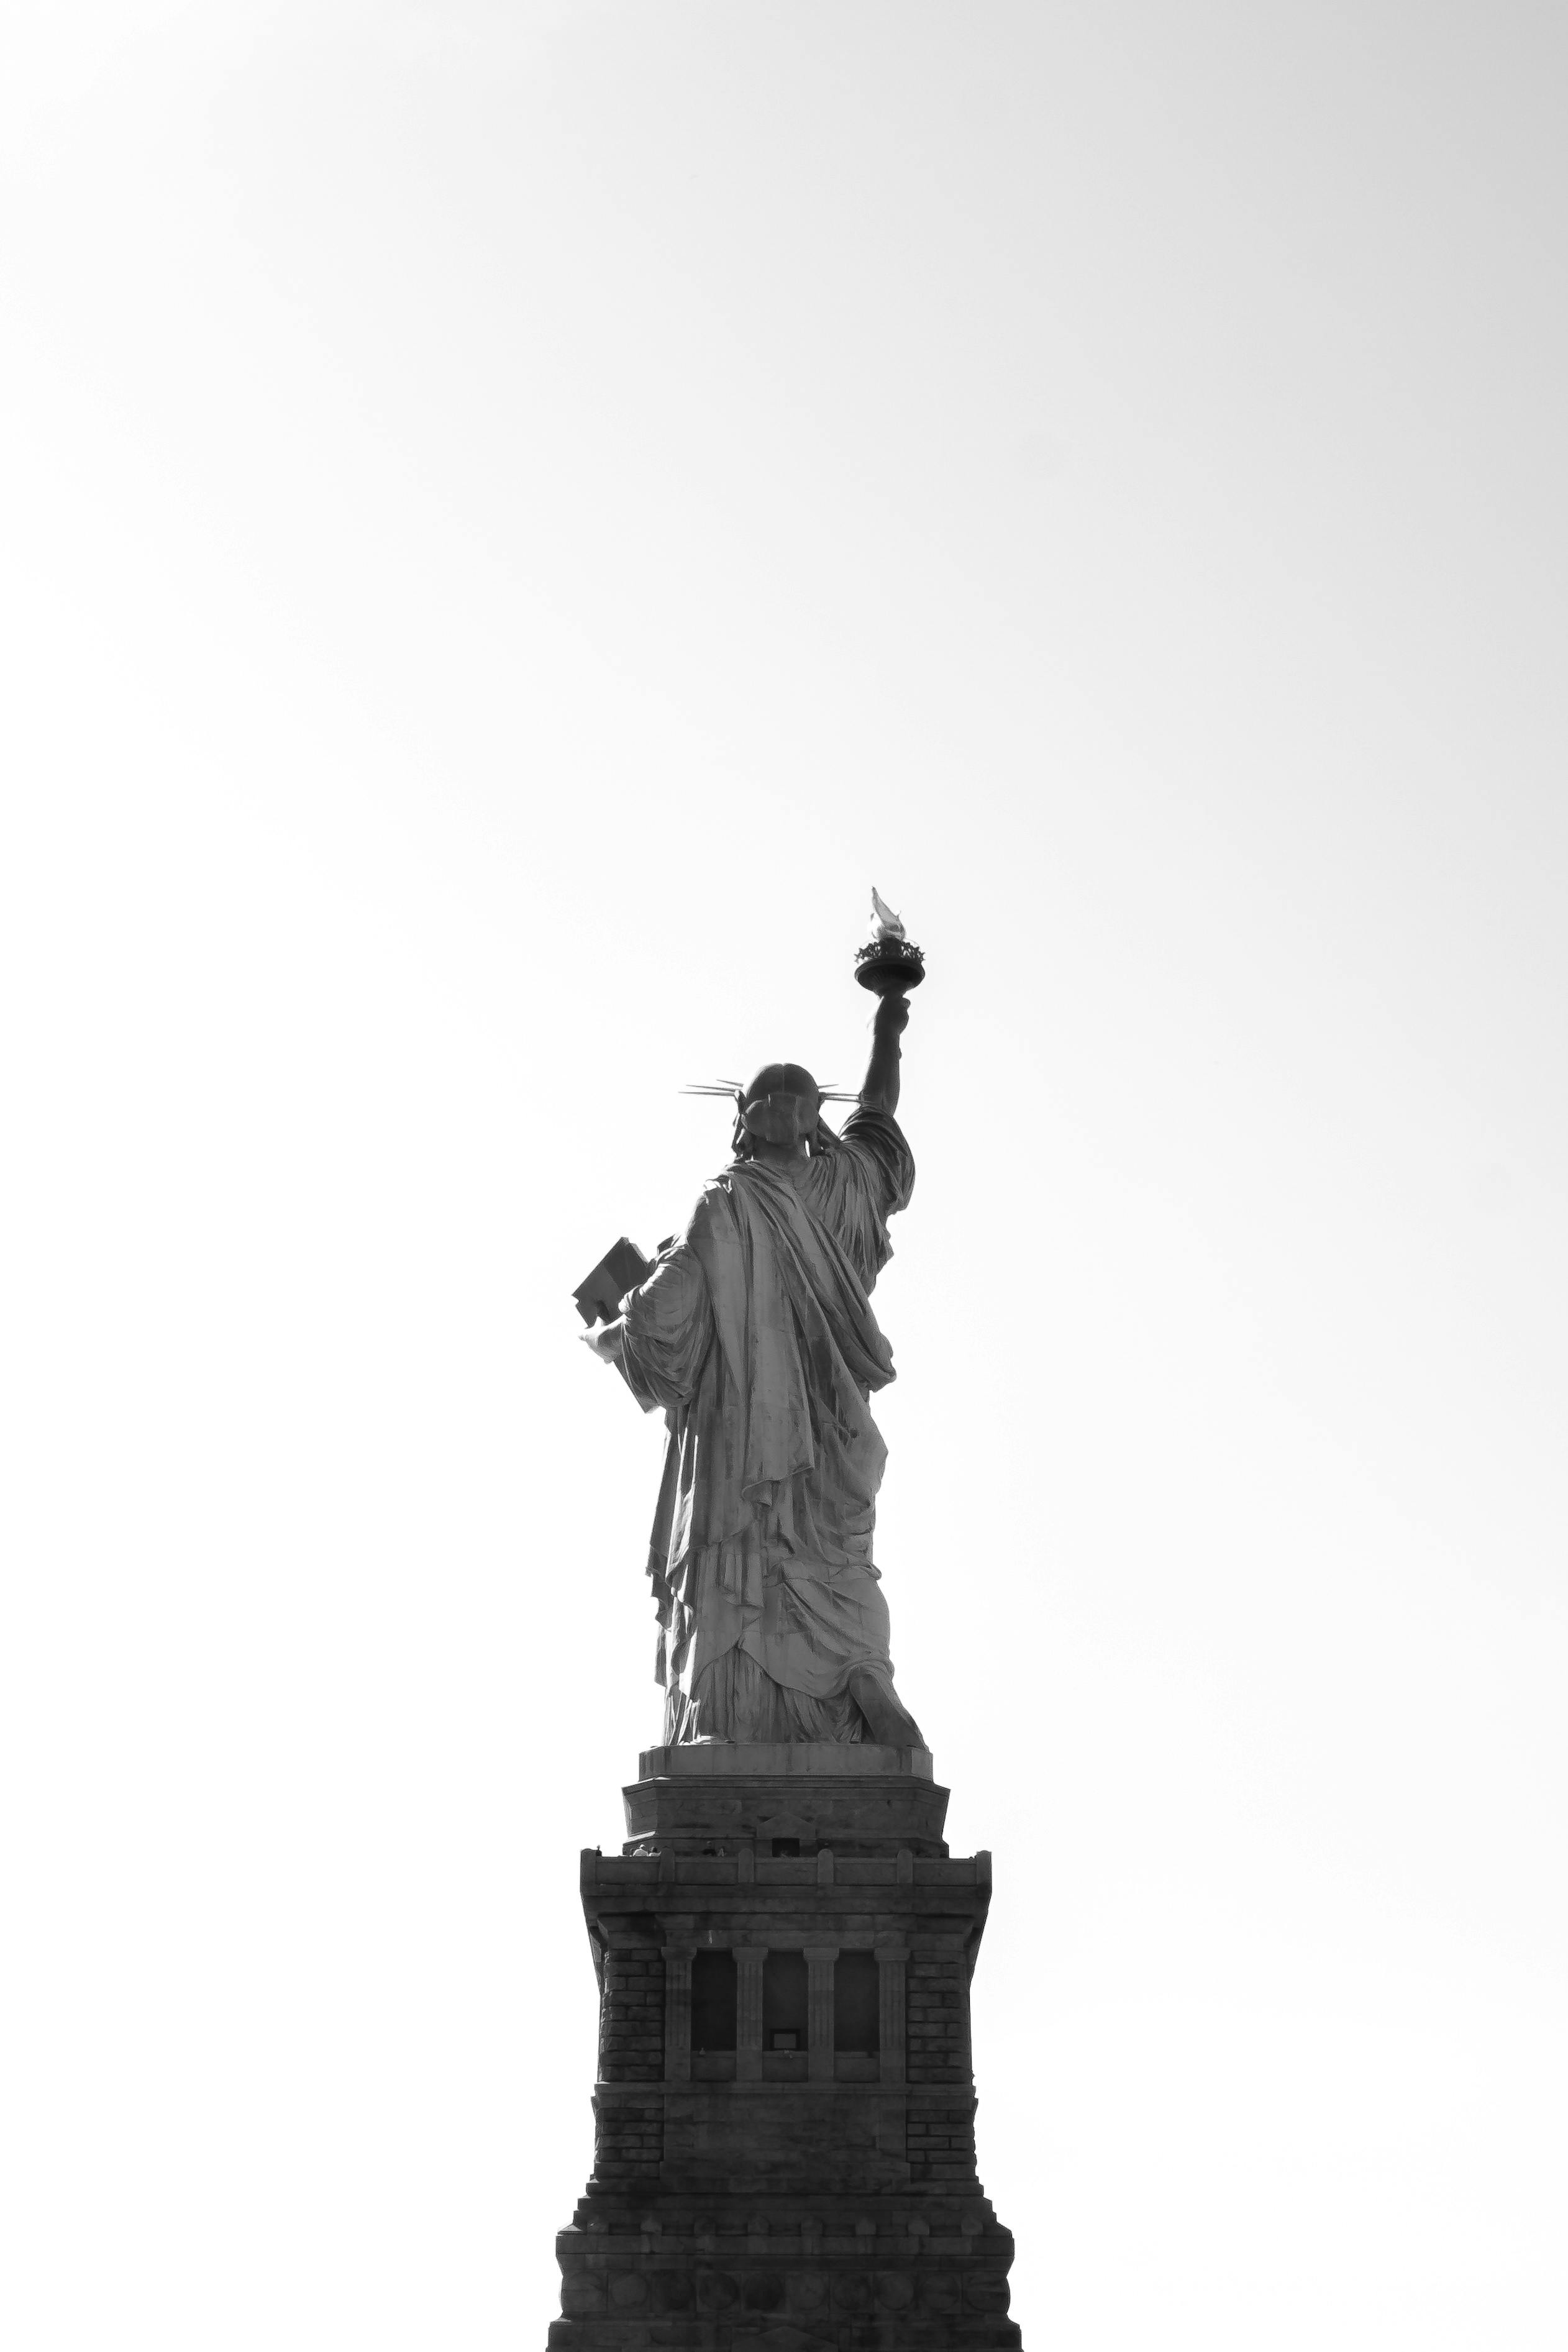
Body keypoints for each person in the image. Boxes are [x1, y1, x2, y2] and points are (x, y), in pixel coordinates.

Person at [580, 991, 925, 1747]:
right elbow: (877, 1115)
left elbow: (662, 1317)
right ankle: (860, 1674)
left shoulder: (725, 1202)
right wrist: (887, 1025)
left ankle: (726, 1715)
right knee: (834, 1561)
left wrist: (611, 1332)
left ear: (743, 1121)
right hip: (832, 1433)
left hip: (740, 1437)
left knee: (741, 1553)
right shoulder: (847, 1188)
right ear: (813, 1119)